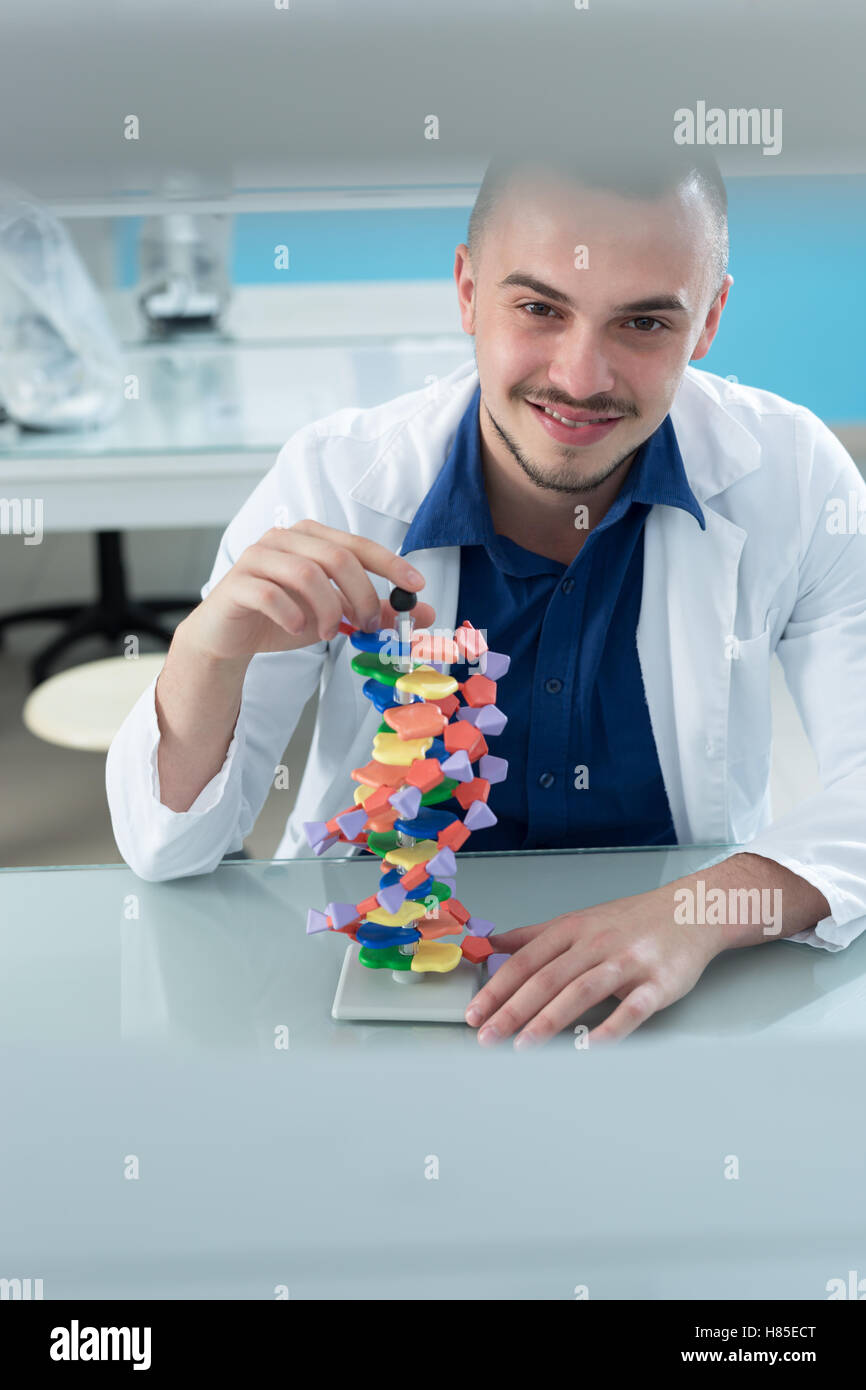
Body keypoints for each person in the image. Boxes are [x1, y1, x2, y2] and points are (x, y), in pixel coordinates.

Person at [106, 137, 866, 1047]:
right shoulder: (334, 478)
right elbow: (169, 851)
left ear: (707, 324)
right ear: (469, 291)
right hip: (373, 986)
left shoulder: (795, 476)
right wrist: (204, 651)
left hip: (674, 989)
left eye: (645, 324)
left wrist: (695, 915)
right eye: (540, 307)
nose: (579, 378)